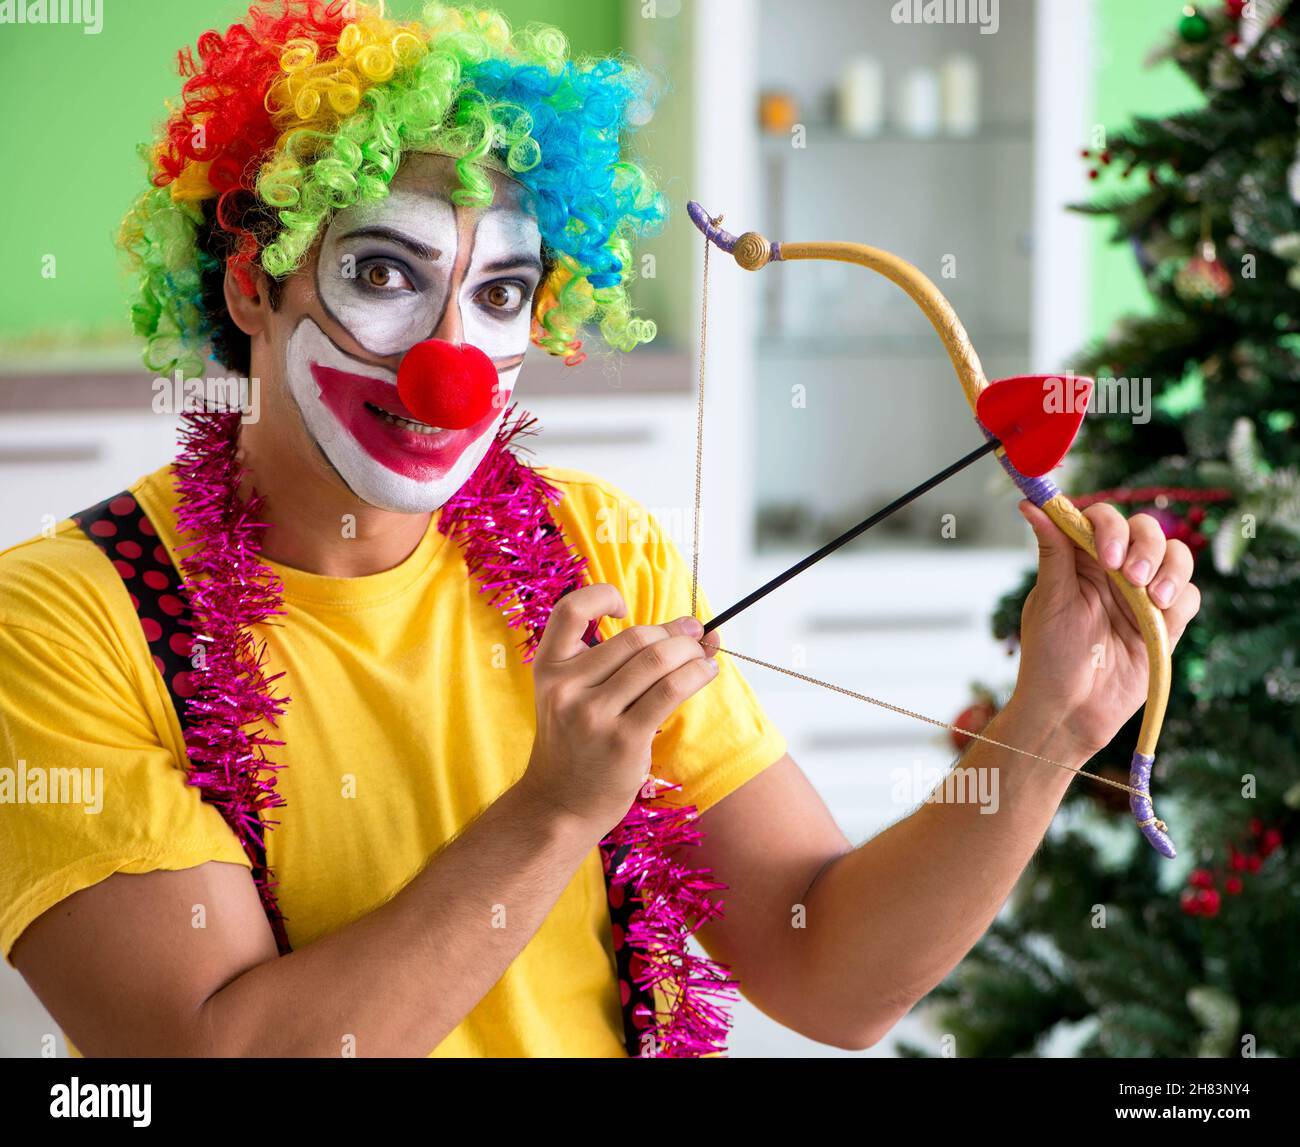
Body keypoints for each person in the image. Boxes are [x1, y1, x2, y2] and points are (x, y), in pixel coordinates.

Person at [0, 1, 1200, 1058]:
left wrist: (1051, 720)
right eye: (380, 274)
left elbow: (831, 978)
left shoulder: (595, 550)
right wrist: (556, 810)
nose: (450, 365)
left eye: (500, 294)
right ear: (251, 284)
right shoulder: (63, 615)